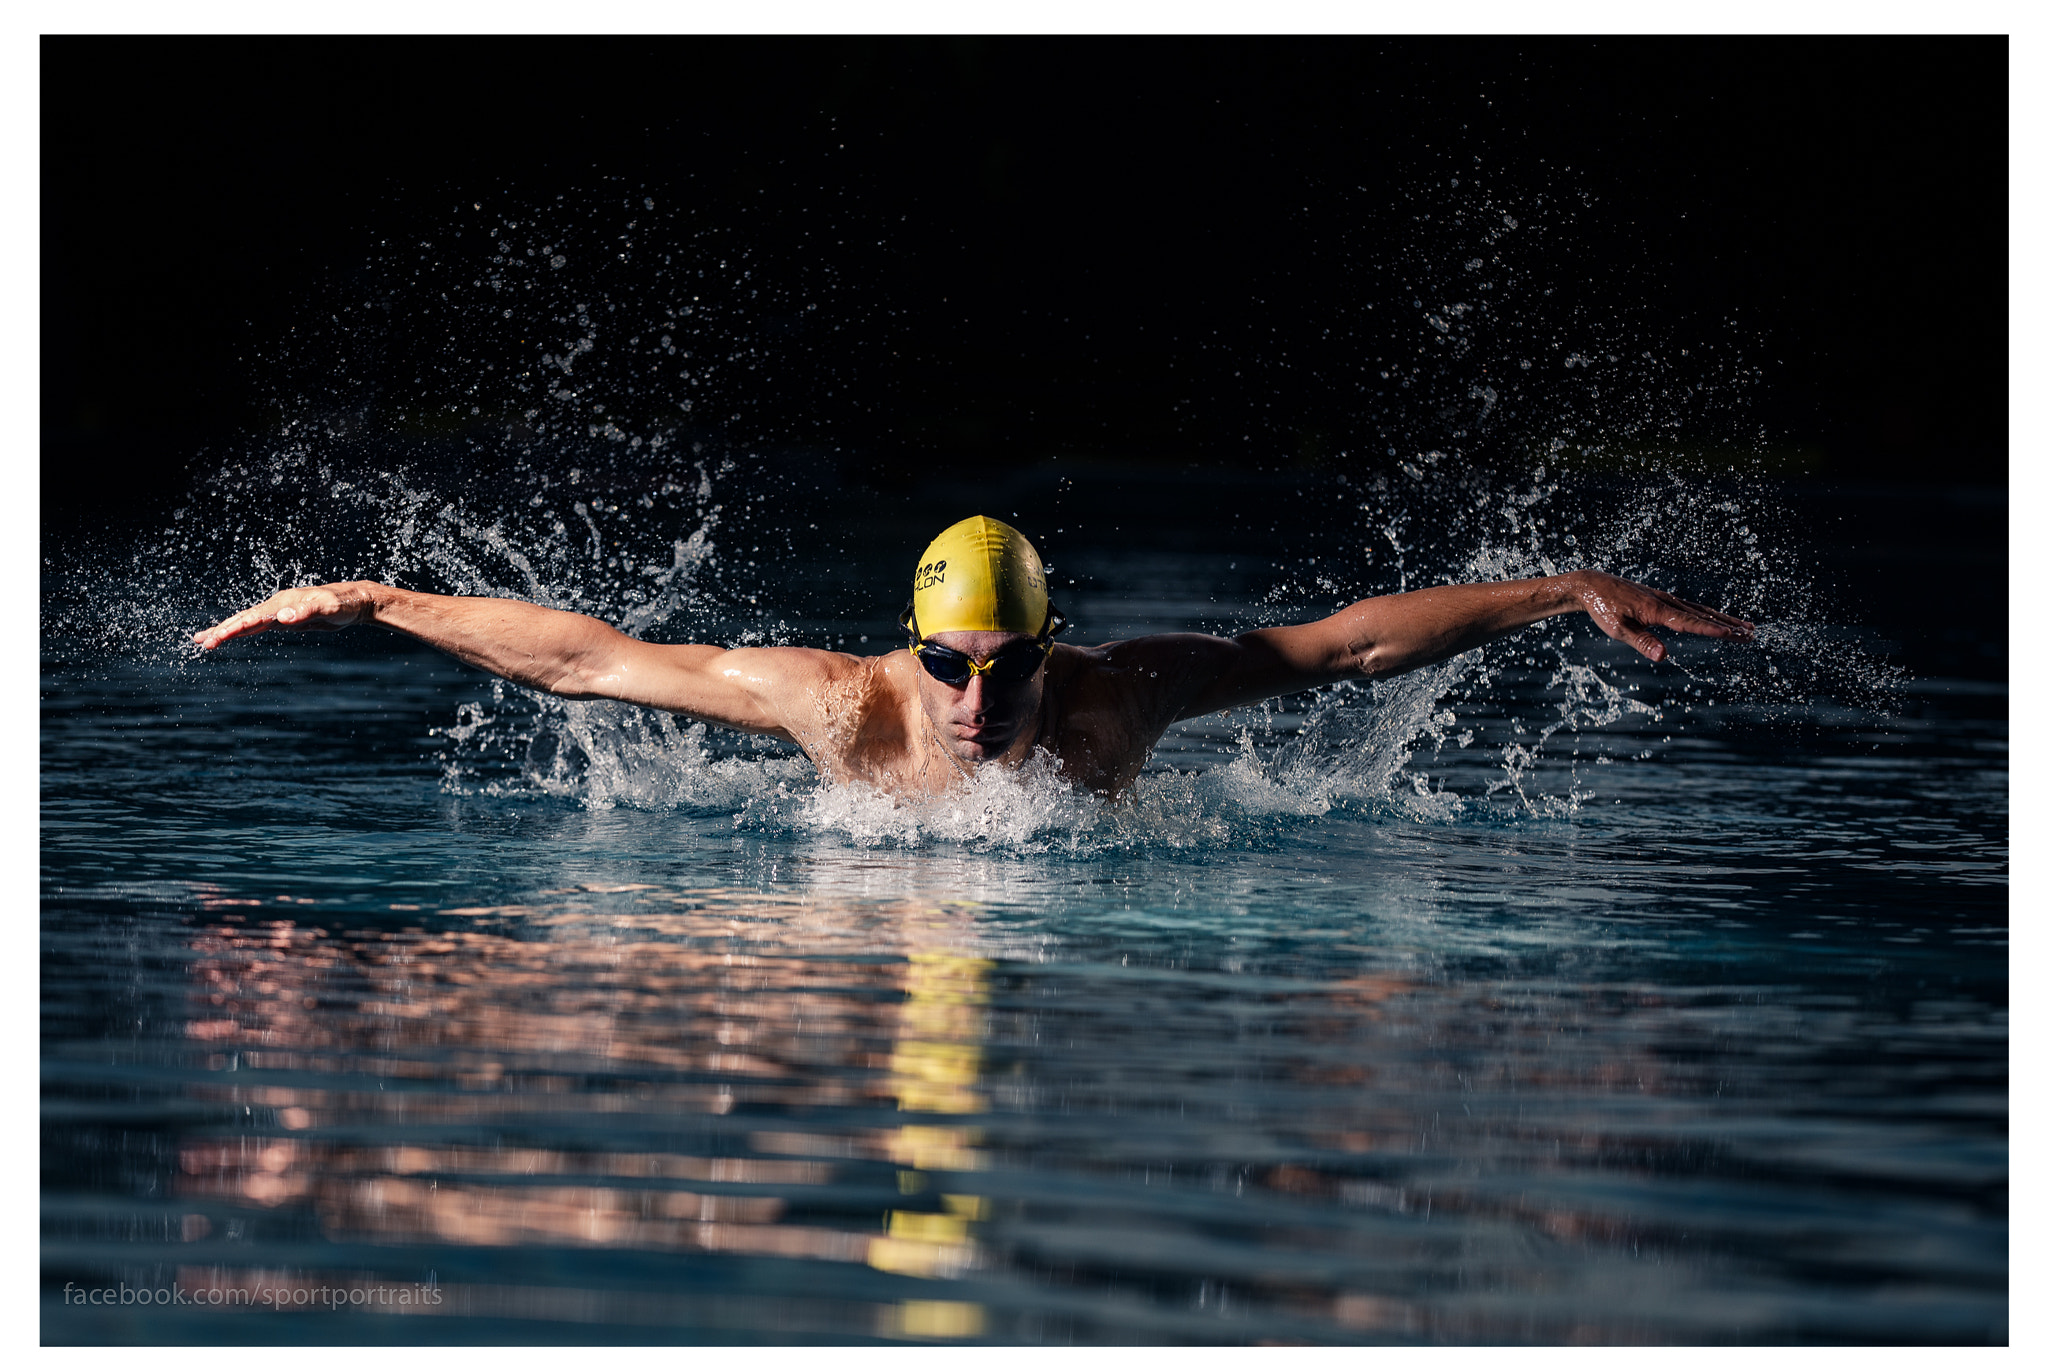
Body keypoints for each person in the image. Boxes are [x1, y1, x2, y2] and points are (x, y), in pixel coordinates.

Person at [192, 514, 1754, 798]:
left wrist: (1562, 590)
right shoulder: (840, 705)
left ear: (1055, 650)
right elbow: (593, 661)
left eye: (1008, 667)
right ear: (910, 646)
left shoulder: (1115, 701)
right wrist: (381, 600)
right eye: (950, 665)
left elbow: (1342, 650)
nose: (977, 702)